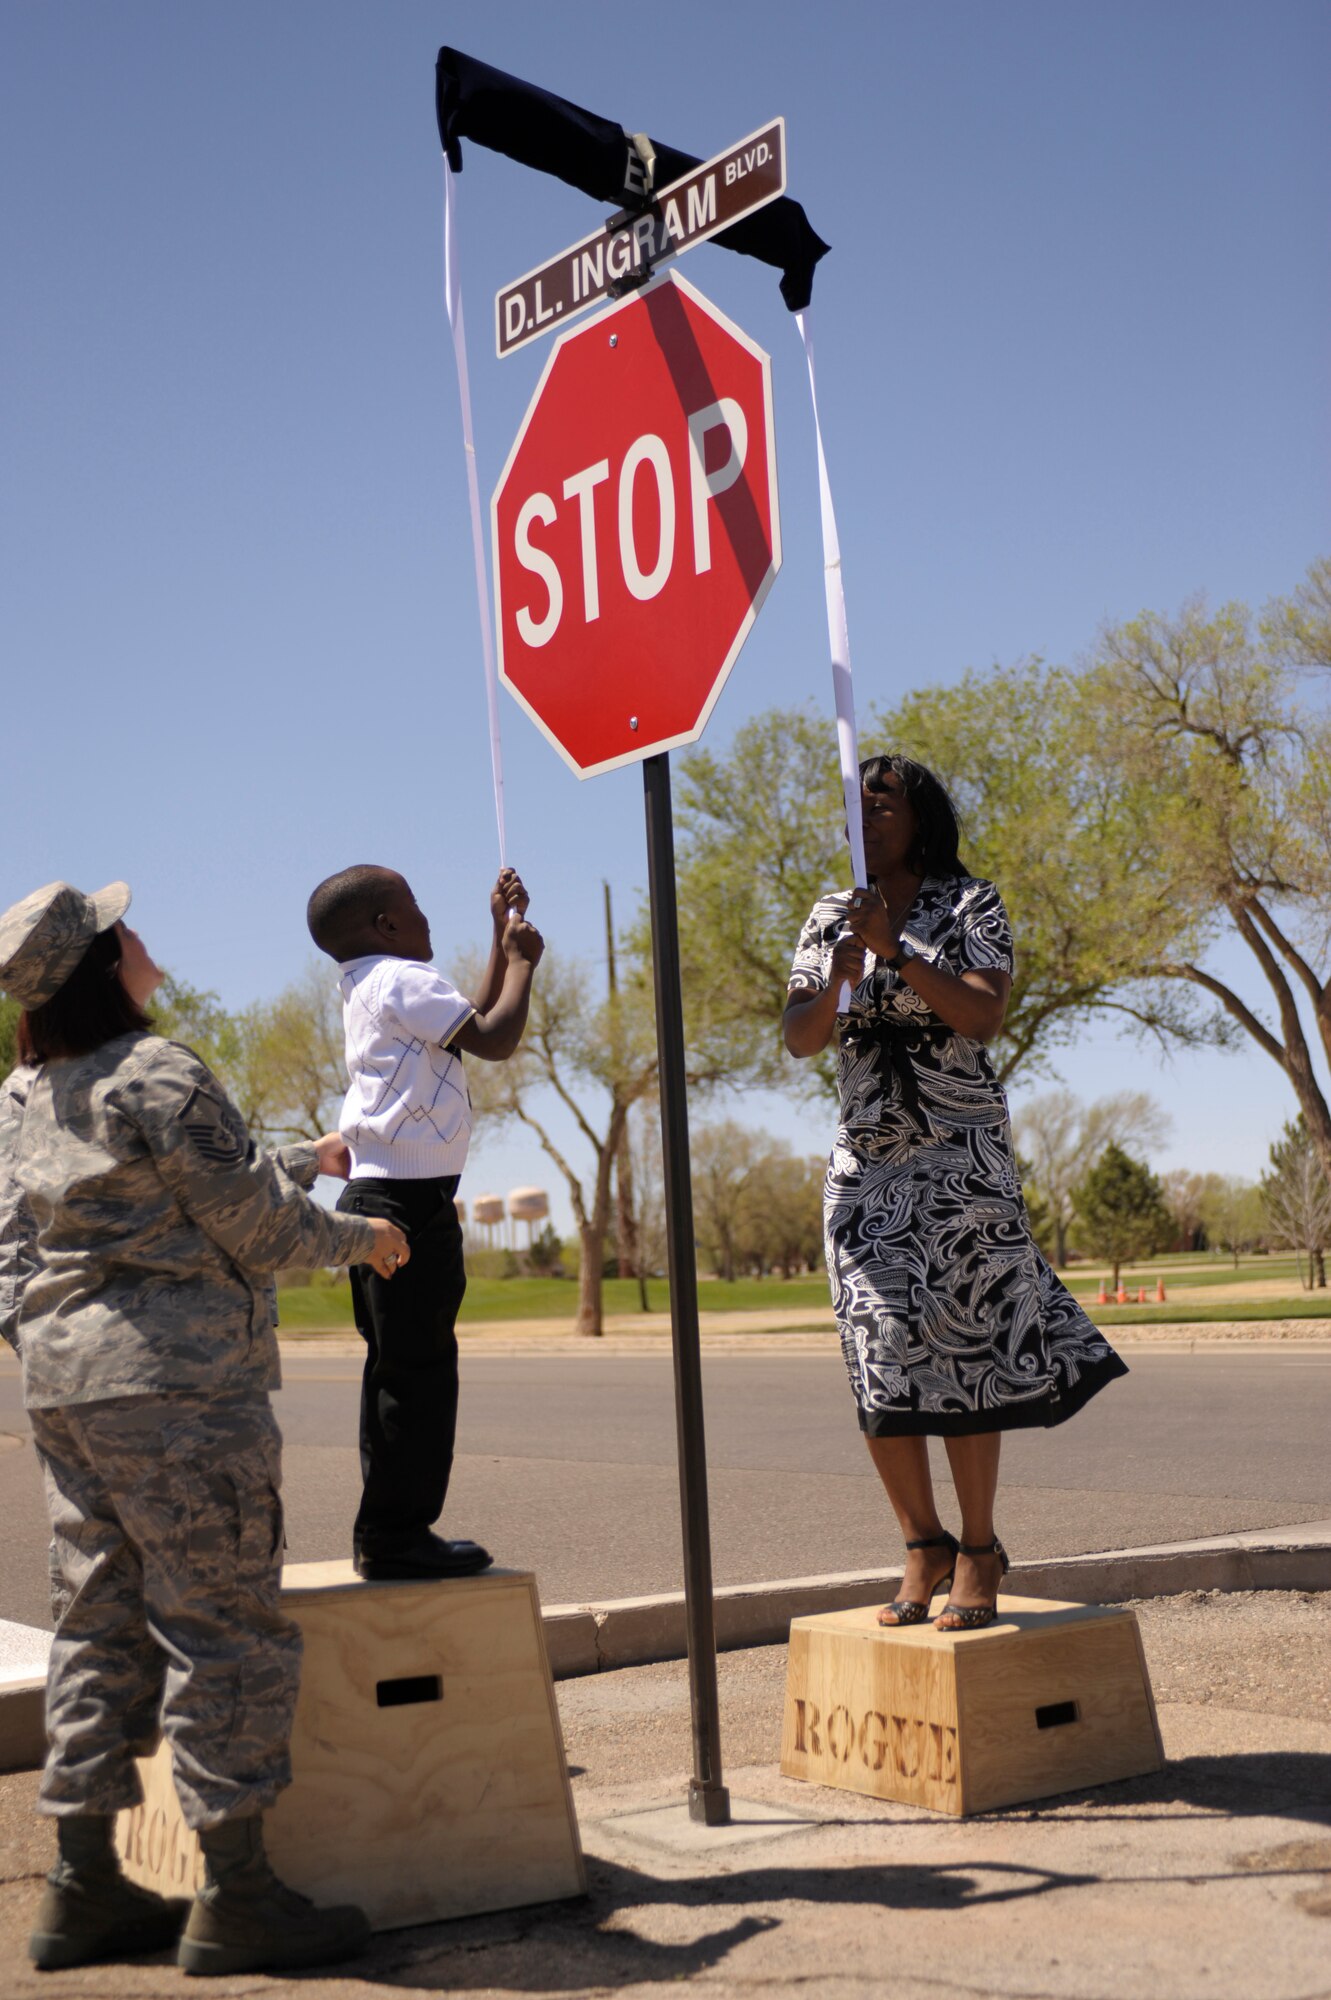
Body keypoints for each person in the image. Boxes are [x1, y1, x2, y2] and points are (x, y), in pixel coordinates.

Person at [0, 879, 411, 1976]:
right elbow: (249, 1226)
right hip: (184, 1397)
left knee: (98, 1622)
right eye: (120, 927)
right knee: (221, 1624)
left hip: (66, 1391)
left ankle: (82, 1886)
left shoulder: (24, 1092)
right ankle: (239, 1894)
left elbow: (33, 1245)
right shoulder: (157, 1067)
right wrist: (360, 1236)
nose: (140, 934)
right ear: (101, 960)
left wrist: (295, 1158)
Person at [784, 756, 1127, 1630]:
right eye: (854, 806)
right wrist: (842, 970)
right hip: (867, 1166)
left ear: (919, 815)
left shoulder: (969, 905)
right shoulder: (829, 916)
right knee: (877, 1351)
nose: (865, 817)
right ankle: (919, 1543)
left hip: (957, 1162)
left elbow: (980, 1015)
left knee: (968, 1348)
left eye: (882, 802)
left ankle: (978, 1551)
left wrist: (898, 949)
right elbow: (799, 1037)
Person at [307, 862, 543, 1581]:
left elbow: (460, 1026)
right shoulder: (403, 981)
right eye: (412, 906)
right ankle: (396, 1535)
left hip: (378, 1202)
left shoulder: (368, 984)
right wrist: (524, 964)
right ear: (385, 925)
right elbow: (495, 1036)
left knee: (397, 1372)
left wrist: (499, 937)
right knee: (419, 1377)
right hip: (405, 1209)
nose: (424, 916)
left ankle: (389, 1529)